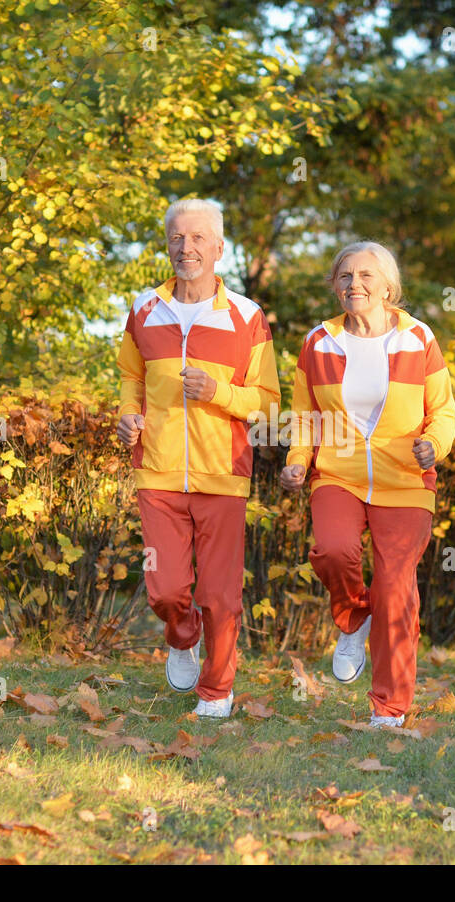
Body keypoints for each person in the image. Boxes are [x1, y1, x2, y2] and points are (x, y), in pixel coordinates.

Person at [281, 242, 455, 727]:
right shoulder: (318, 342)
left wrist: (434, 444)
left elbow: (443, 409)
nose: (353, 285)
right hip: (337, 473)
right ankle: (353, 618)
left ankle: (390, 706)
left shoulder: (418, 337)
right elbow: (304, 415)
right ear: (334, 285)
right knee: (334, 551)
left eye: (365, 276)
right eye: (344, 276)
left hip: (405, 480)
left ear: (387, 286)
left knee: (397, 589)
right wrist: (298, 460)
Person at [117, 199, 281, 718]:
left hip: (223, 475)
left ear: (219, 248)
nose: (186, 248)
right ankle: (181, 635)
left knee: (220, 593)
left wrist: (217, 391)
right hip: (158, 472)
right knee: (165, 589)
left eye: (197, 239)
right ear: (167, 244)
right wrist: (126, 416)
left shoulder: (247, 317)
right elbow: (131, 379)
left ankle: (216, 691)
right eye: (177, 239)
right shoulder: (144, 309)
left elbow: (269, 402)